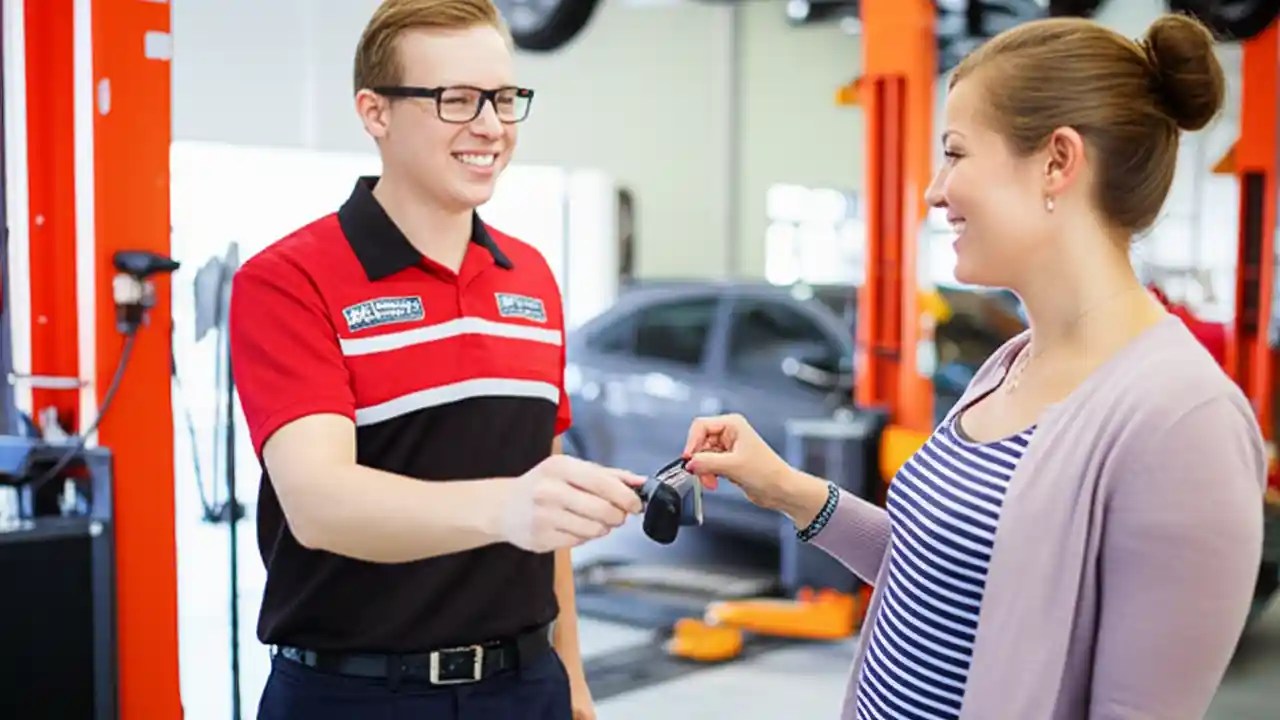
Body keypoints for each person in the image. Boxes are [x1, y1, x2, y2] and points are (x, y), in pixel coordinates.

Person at [682, 13, 1267, 720]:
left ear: (1058, 161)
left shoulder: (1184, 420)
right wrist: (785, 489)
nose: (933, 191)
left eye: (955, 154)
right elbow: (941, 575)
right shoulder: (1012, 361)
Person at [228, 1, 643, 718]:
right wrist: (507, 508)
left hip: (525, 685)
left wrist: (571, 676)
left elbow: (550, 515)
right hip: (354, 694)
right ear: (375, 112)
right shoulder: (290, 280)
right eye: (455, 99)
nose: (490, 125)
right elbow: (321, 505)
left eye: (505, 98)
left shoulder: (532, 281)